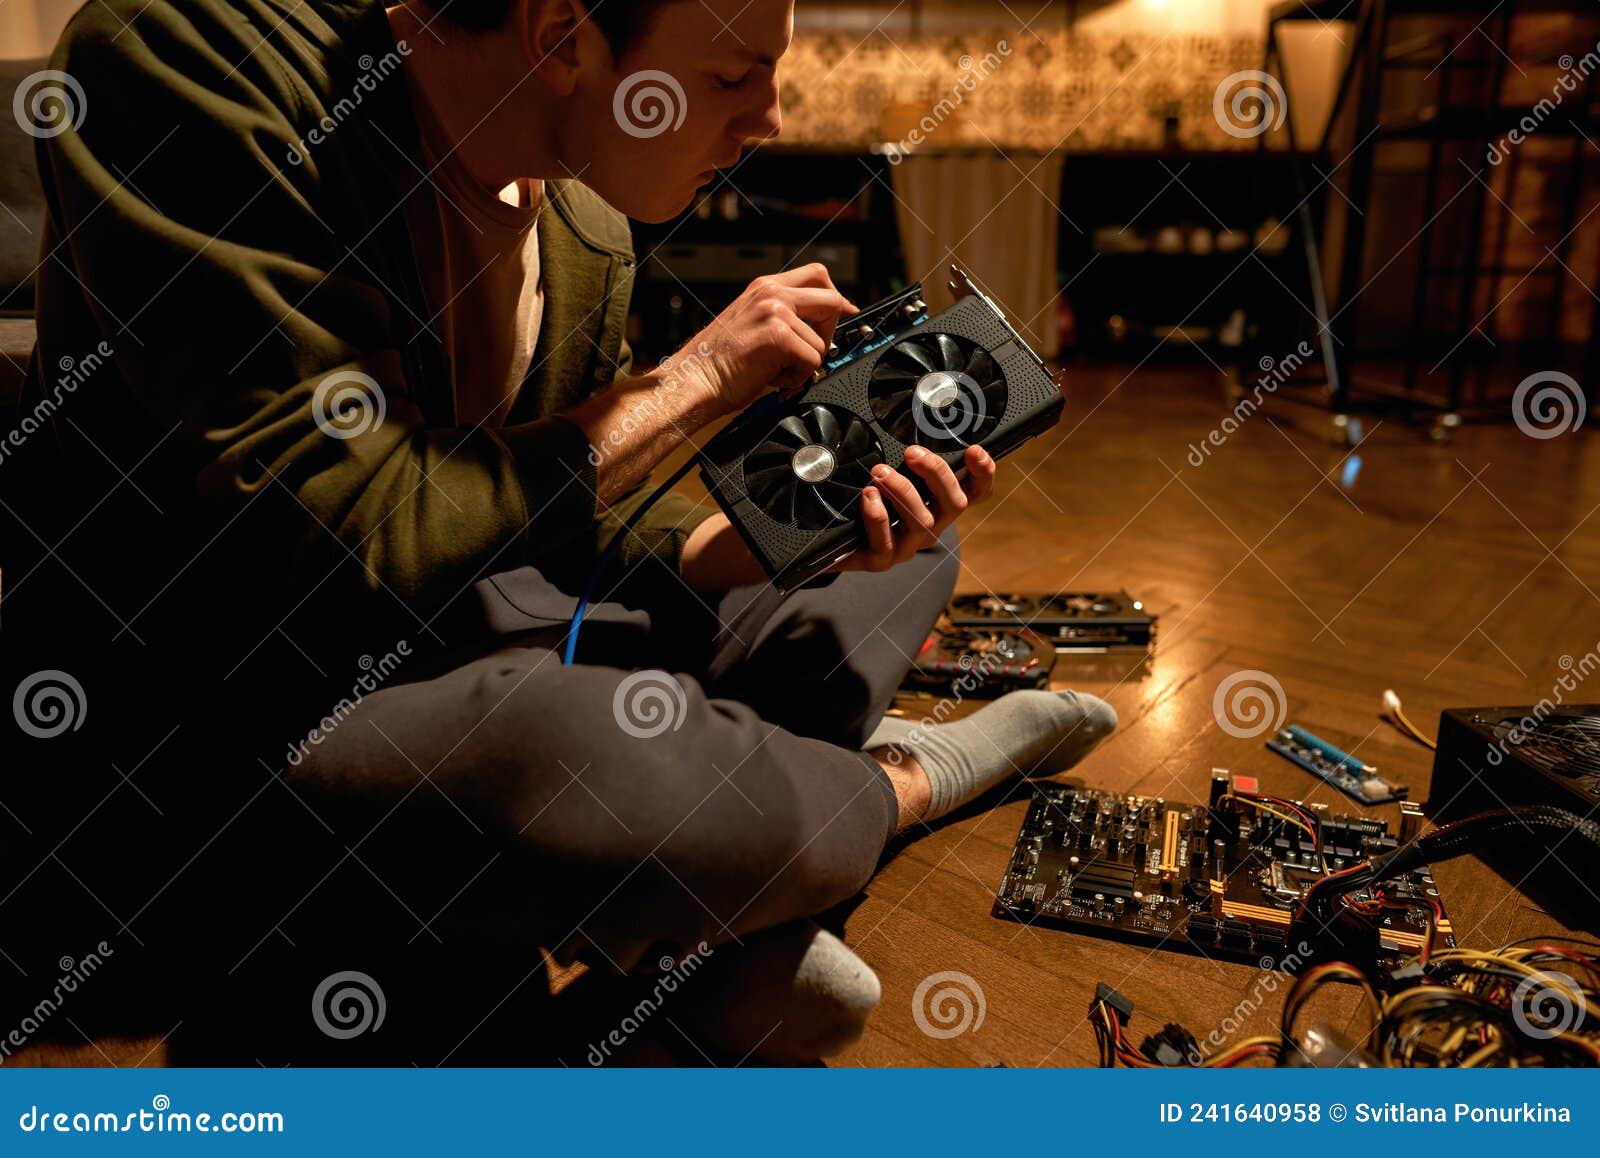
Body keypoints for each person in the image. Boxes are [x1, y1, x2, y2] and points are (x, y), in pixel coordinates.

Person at [0, 0, 1113, 1063]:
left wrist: (740, 546)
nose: (769, 117)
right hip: (239, 708)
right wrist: (689, 383)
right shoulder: (189, 64)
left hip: (479, 632)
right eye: (732, 75)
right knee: (587, 757)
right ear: (556, 33)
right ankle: (889, 791)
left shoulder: (582, 219)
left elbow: (567, 516)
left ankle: (707, 892)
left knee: (892, 549)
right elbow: (336, 537)